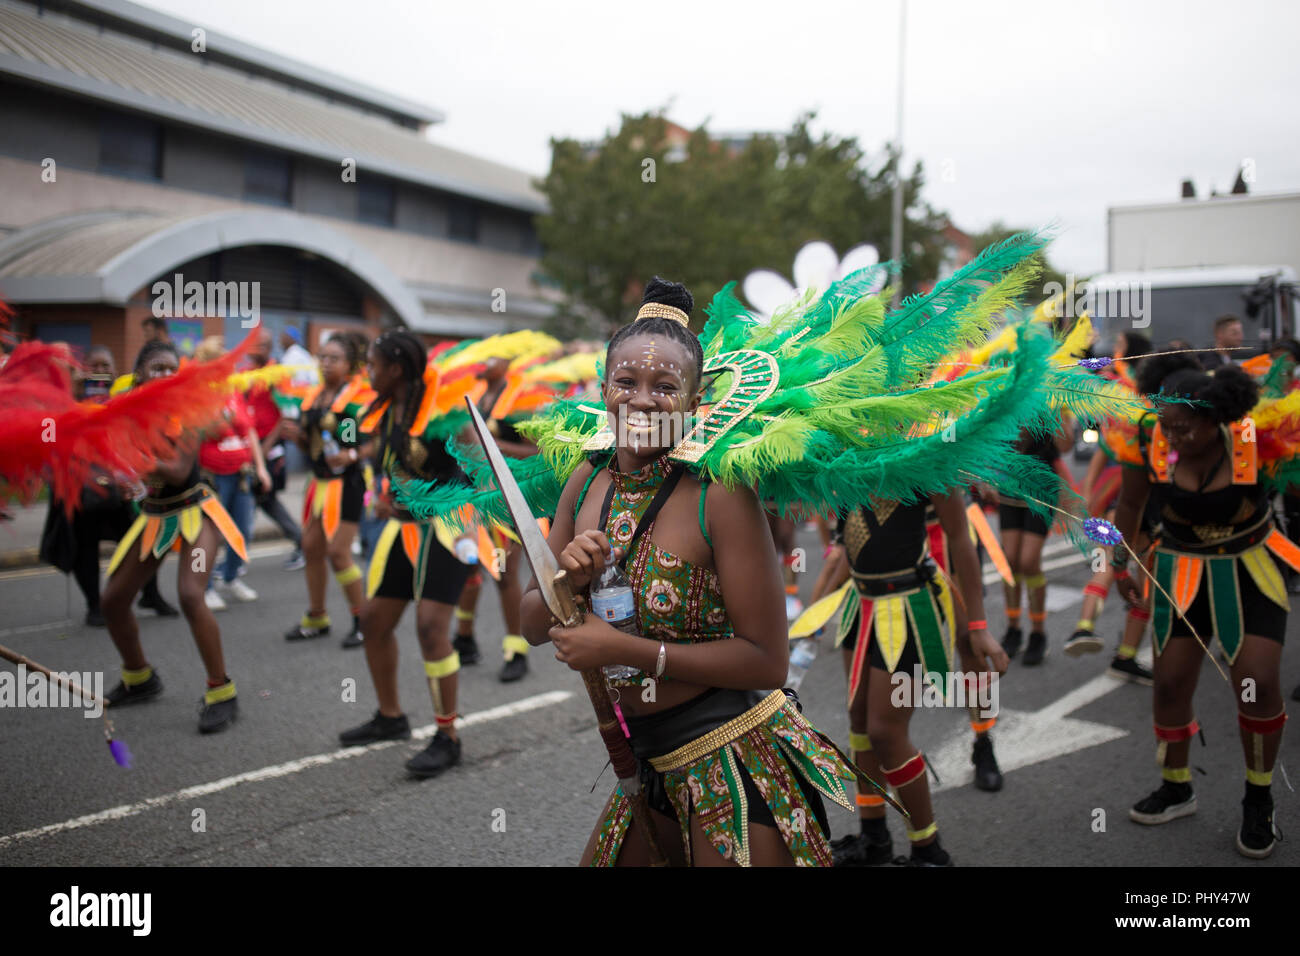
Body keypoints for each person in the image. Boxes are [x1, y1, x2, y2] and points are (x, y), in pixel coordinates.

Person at [521, 279, 864, 866]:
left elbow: (766, 659)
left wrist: (624, 650)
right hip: (644, 759)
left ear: (694, 399)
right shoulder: (585, 478)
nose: (643, 400)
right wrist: (567, 582)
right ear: (604, 389)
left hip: (731, 756)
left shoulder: (720, 495)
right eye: (626, 382)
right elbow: (530, 621)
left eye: (665, 386)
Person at [1112, 355, 1293, 858]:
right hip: (1180, 573)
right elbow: (1128, 506)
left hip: (1249, 570)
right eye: (1166, 425)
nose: (1173, 437)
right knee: (1170, 683)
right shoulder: (1149, 439)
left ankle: (1259, 799)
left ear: (1217, 420)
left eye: (1185, 429)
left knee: (1255, 685)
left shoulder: (1256, 442)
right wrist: (1119, 565)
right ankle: (1177, 785)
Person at [819, 493, 1008, 866]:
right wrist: (816, 608)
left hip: (908, 601)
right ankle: (874, 838)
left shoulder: (929, 444)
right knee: (859, 720)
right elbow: (844, 543)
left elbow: (959, 536)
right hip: (862, 602)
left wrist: (978, 625)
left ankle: (929, 848)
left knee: (886, 731)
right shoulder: (843, 443)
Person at [337, 330, 475, 779]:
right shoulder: (387, 407)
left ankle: (447, 736)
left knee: (431, 627)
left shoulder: (441, 408)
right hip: (406, 527)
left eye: (373, 365)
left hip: (451, 523)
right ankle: (391, 717)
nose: (367, 372)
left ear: (396, 369)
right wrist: (389, 495)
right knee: (375, 620)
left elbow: (478, 457)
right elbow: (395, 465)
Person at [99, 340, 249, 733]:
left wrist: (134, 463)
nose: (166, 375)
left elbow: (180, 470)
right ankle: (139, 678)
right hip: (154, 518)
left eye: (171, 368)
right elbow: (121, 473)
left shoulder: (190, 409)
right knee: (113, 600)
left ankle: (221, 691)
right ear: (140, 374)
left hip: (196, 513)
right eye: (156, 368)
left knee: (190, 593)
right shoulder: (128, 415)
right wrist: (121, 478)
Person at [39, 346, 178, 626]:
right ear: (83, 370)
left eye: (107, 366)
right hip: (81, 490)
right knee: (86, 547)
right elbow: (46, 439)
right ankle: (94, 605)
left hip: (119, 490)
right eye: (95, 366)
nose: (101, 372)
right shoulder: (64, 402)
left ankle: (150, 594)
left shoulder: (122, 399)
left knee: (142, 542)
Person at [280, 332, 373, 647]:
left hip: (347, 483)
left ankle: (364, 620)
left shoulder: (355, 398)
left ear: (349, 365)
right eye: (322, 357)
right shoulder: (313, 397)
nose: (326, 363)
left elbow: (372, 441)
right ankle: (317, 615)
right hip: (318, 482)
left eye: (334, 359)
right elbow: (312, 444)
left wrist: (352, 453)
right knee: (311, 548)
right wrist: (296, 437)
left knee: (338, 553)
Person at [453, 355, 537, 682]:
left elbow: (537, 453)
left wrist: (491, 445)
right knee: (467, 565)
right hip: (471, 496)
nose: (483, 362)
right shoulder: (472, 395)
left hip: (506, 499)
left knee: (504, 574)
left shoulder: (520, 402)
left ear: (508, 363)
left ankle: (516, 650)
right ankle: (464, 638)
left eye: (492, 357)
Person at [192, 337, 271, 611]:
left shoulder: (233, 392)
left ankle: (230, 577)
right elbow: (212, 428)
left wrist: (261, 468)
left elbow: (248, 430)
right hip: (212, 476)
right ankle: (202, 586)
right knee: (208, 535)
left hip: (241, 473)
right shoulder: (198, 395)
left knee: (243, 530)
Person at [992, 420, 1074, 665]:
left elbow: (1066, 445)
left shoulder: (1052, 399)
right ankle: (1013, 628)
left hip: (1041, 487)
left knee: (1028, 561)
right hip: (1009, 483)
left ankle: (1038, 632)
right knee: (1010, 562)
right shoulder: (1006, 388)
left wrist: (1054, 410)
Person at [242, 329, 305, 570]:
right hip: (251, 445)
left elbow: (286, 414)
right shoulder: (246, 372)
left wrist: (265, 447)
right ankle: (235, 558)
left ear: (269, 348)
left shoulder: (277, 375)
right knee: (261, 500)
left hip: (269, 447)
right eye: (252, 343)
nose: (255, 348)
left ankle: (234, 560)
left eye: (261, 345)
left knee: (258, 498)